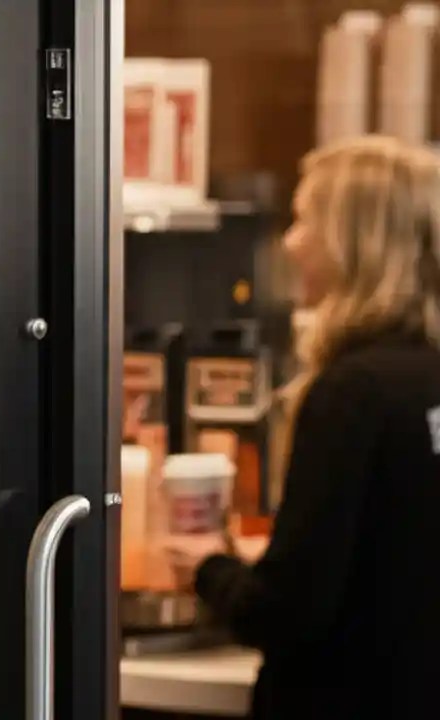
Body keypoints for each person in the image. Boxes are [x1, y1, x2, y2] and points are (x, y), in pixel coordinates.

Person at [170, 136, 440, 719]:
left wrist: (208, 567)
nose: (290, 243)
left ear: (352, 243)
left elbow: (286, 611)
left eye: (304, 220)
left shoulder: (352, 393)